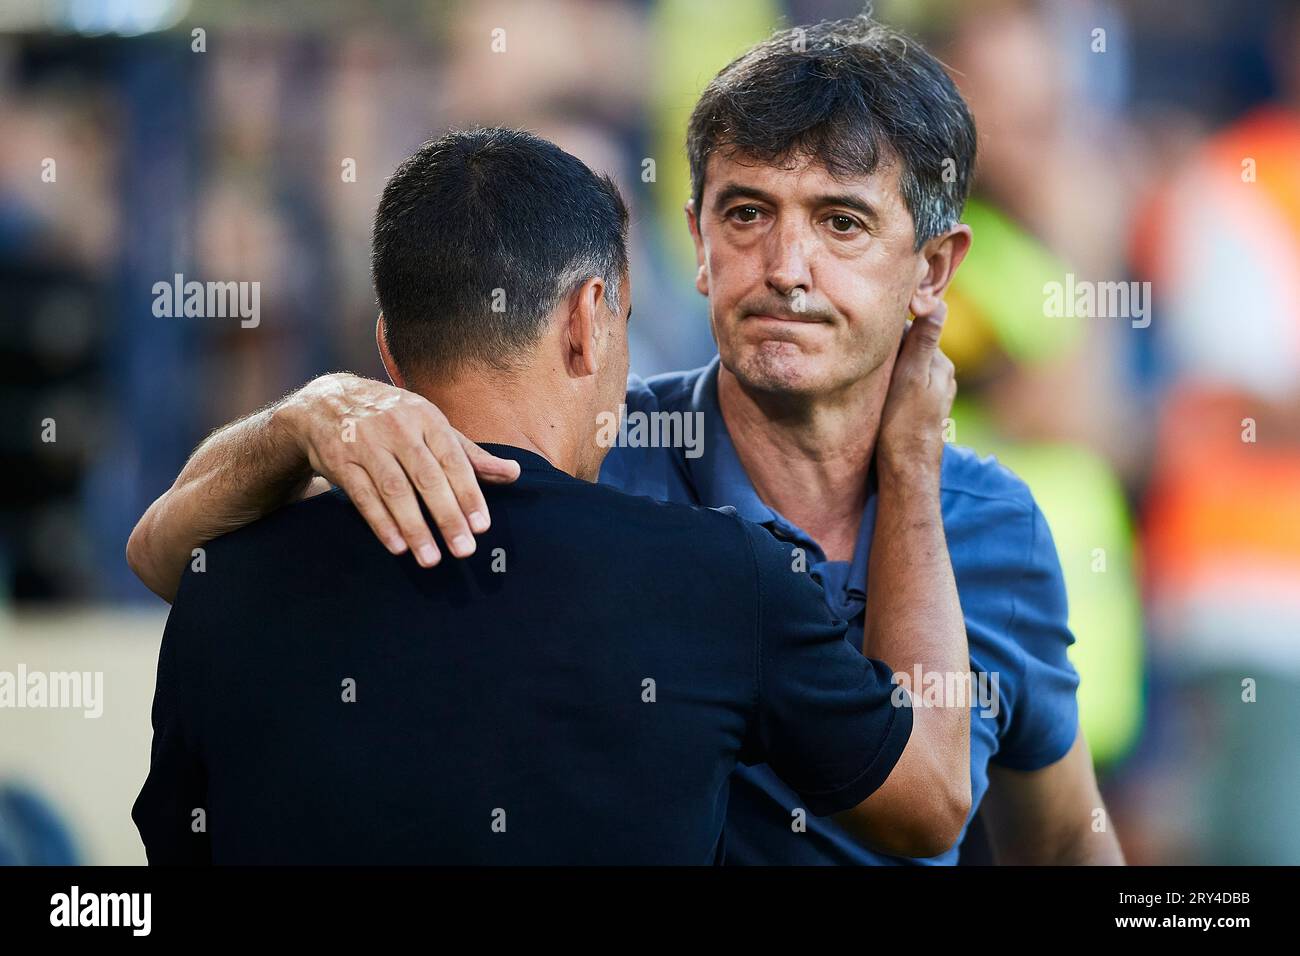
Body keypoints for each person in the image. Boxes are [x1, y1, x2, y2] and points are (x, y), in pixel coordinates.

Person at [129, 15, 1121, 864]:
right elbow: (188, 558)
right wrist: (304, 416)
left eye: (841, 223)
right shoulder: (568, 457)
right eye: (746, 213)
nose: (785, 266)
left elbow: (1067, 835)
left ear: (934, 269)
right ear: (694, 240)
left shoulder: (996, 529)